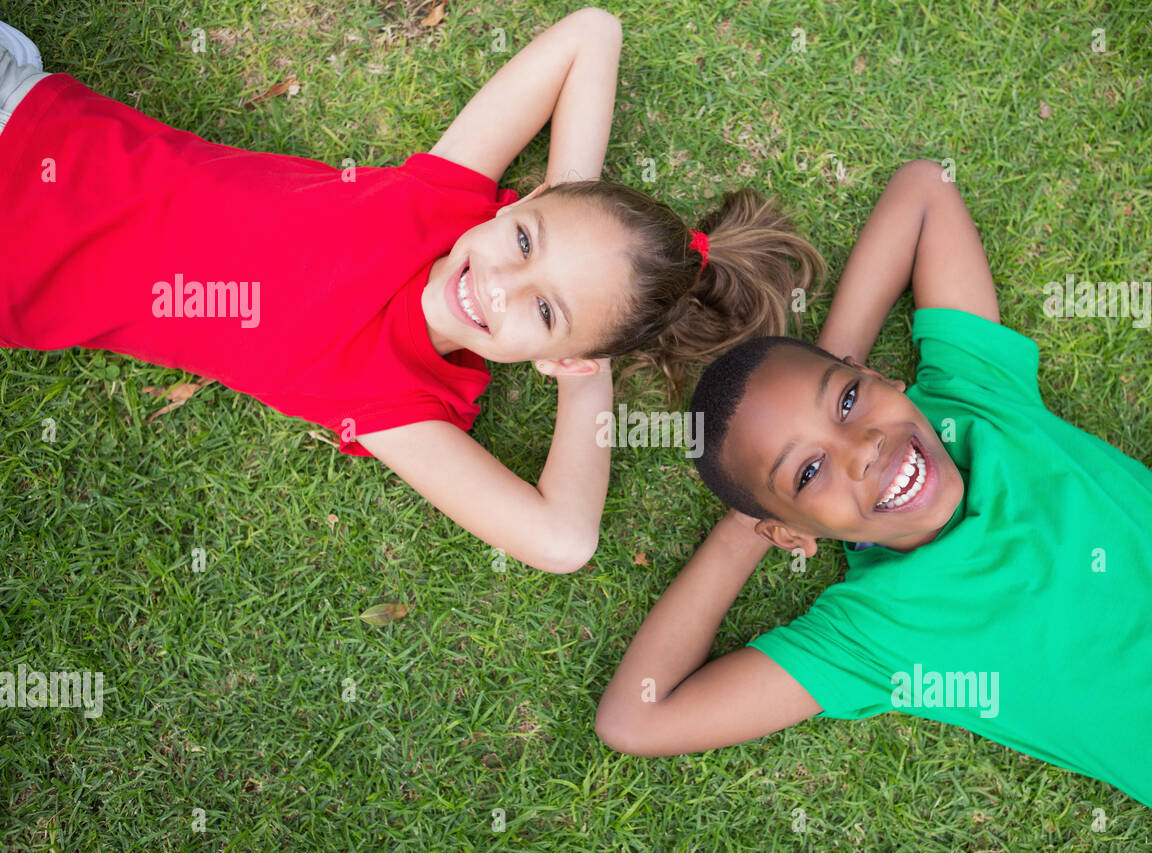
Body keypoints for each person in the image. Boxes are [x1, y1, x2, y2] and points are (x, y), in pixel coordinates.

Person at [595, 158, 1152, 853]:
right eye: (808, 472)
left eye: (847, 402)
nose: (864, 449)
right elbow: (636, 717)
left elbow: (924, 187)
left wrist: (835, 368)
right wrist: (751, 529)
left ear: (878, 376)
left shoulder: (972, 402)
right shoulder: (872, 634)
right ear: (791, 531)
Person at [0, 10, 823, 573]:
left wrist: (587, 365)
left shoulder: (400, 400)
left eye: (543, 312)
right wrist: (570, 210)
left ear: (557, 358)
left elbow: (564, 539)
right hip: (24, 111)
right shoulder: (446, 205)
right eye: (526, 242)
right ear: (520, 203)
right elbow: (592, 32)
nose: (498, 282)